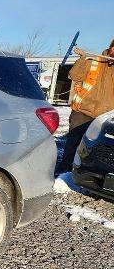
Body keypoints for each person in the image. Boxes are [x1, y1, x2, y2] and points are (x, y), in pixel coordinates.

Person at [58, 39, 114, 172]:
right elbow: (74, 75)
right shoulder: (94, 62)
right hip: (82, 112)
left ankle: (88, 172)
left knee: (96, 147)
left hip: (103, 117)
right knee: (73, 143)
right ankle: (65, 170)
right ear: (110, 48)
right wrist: (82, 59)